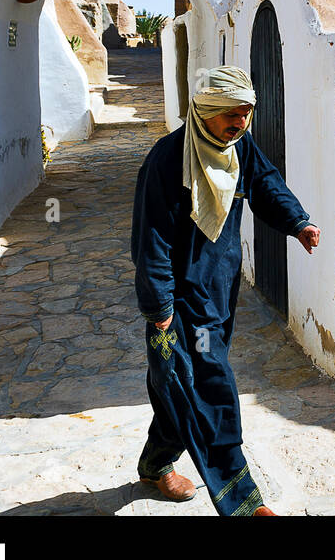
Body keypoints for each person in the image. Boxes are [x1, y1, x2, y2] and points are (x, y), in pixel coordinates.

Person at [130, 65, 321, 516]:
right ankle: (243, 503)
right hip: (177, 304)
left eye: (246, 114)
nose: (240, 123)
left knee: (175, 387)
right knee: (210, 390)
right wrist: (159, 310)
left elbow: (266, 184)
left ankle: (155, 464)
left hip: (218, 293)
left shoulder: (239, 149)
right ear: (205, 112)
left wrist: (298, 222)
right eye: (230, 115)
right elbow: (150, 242)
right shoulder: (166, 160)